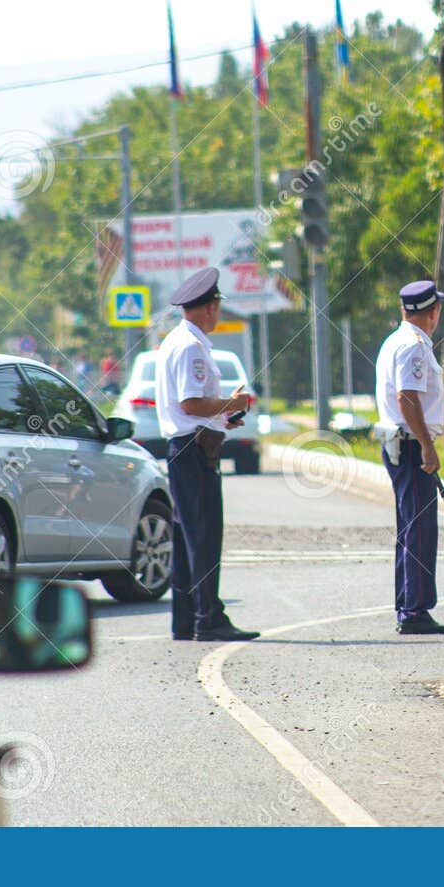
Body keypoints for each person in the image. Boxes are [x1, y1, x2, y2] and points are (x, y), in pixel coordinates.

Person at [155, 268, 259, 643]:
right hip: (192, 450)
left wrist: (223, 416)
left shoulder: (179, 340)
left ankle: (187, 619)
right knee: (203, 536)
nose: (218, 314)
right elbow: (191, 402)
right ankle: (209, 618)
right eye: (217, 306)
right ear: (210, 307)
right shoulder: (191, 346)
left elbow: (194, 406)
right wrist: (233, 402)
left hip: (190, 446)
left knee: (187, 538)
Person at [374, 279, 444, 635]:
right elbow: (408, 398)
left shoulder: (396, 340)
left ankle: (408, 604)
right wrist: (427, 444)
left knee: (410, 527)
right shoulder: (414, 347)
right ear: (433, 312)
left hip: (400, 442)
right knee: (419, 528)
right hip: (409, 444)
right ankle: (414, 610)